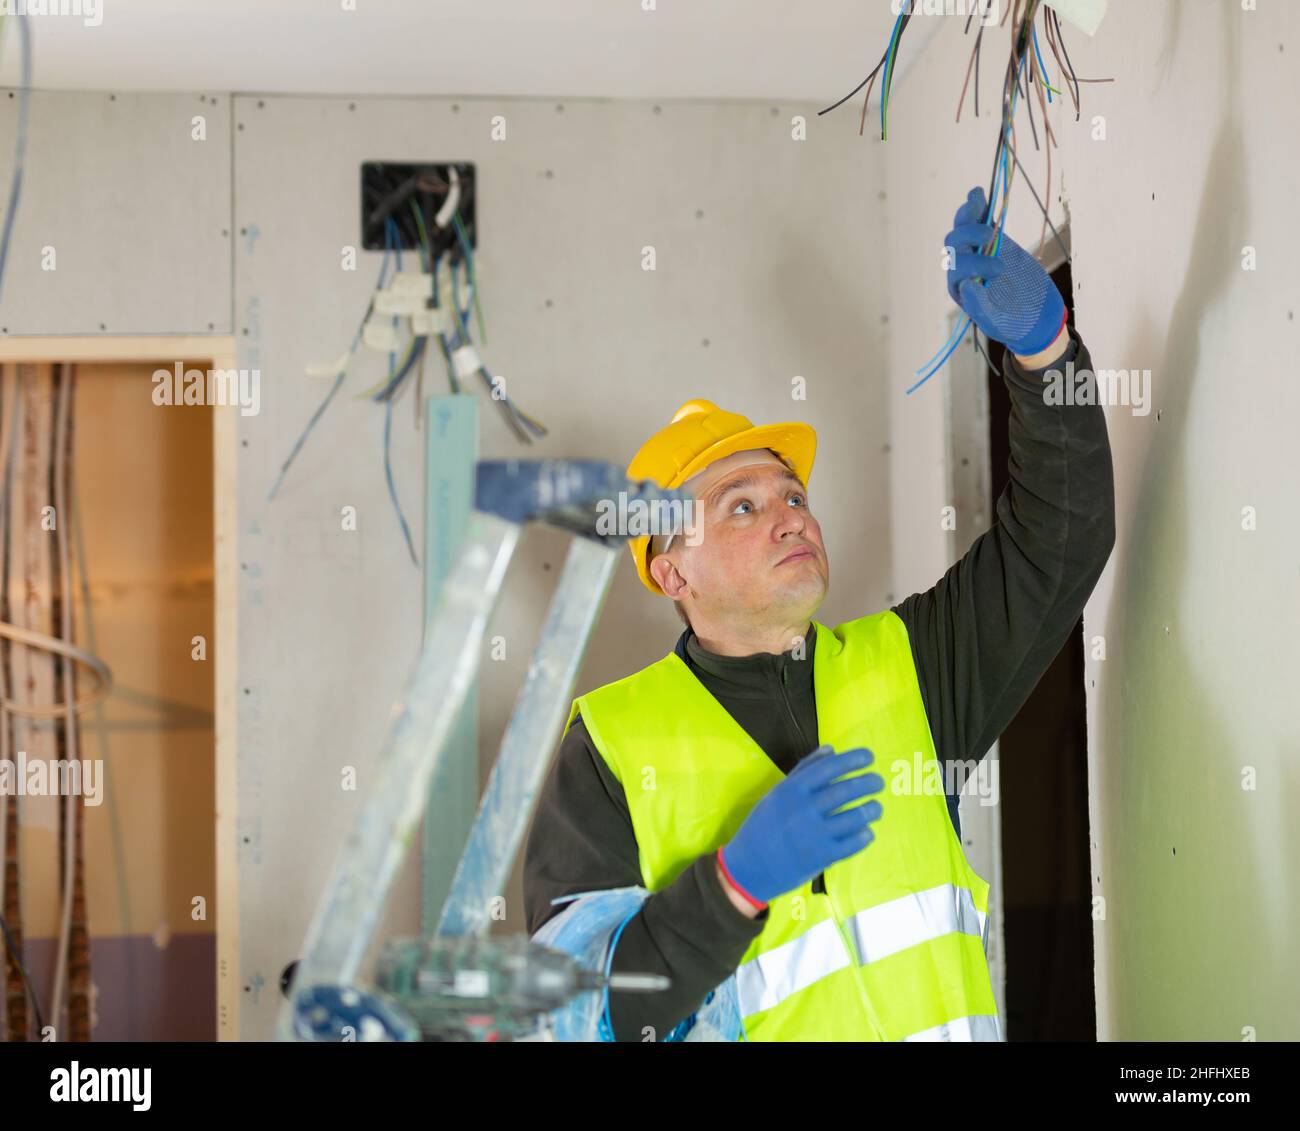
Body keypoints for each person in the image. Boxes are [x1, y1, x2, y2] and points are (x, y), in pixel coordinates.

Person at [524, 186, 1115, 1041]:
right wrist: (733, 885)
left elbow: (1058, 544)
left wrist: (1046, 350)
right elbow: (575, 1015)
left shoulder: (911, 664)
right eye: (740, 505)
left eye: (793, 493)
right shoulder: (610, 748)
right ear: (670, 570)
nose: (790, 513)